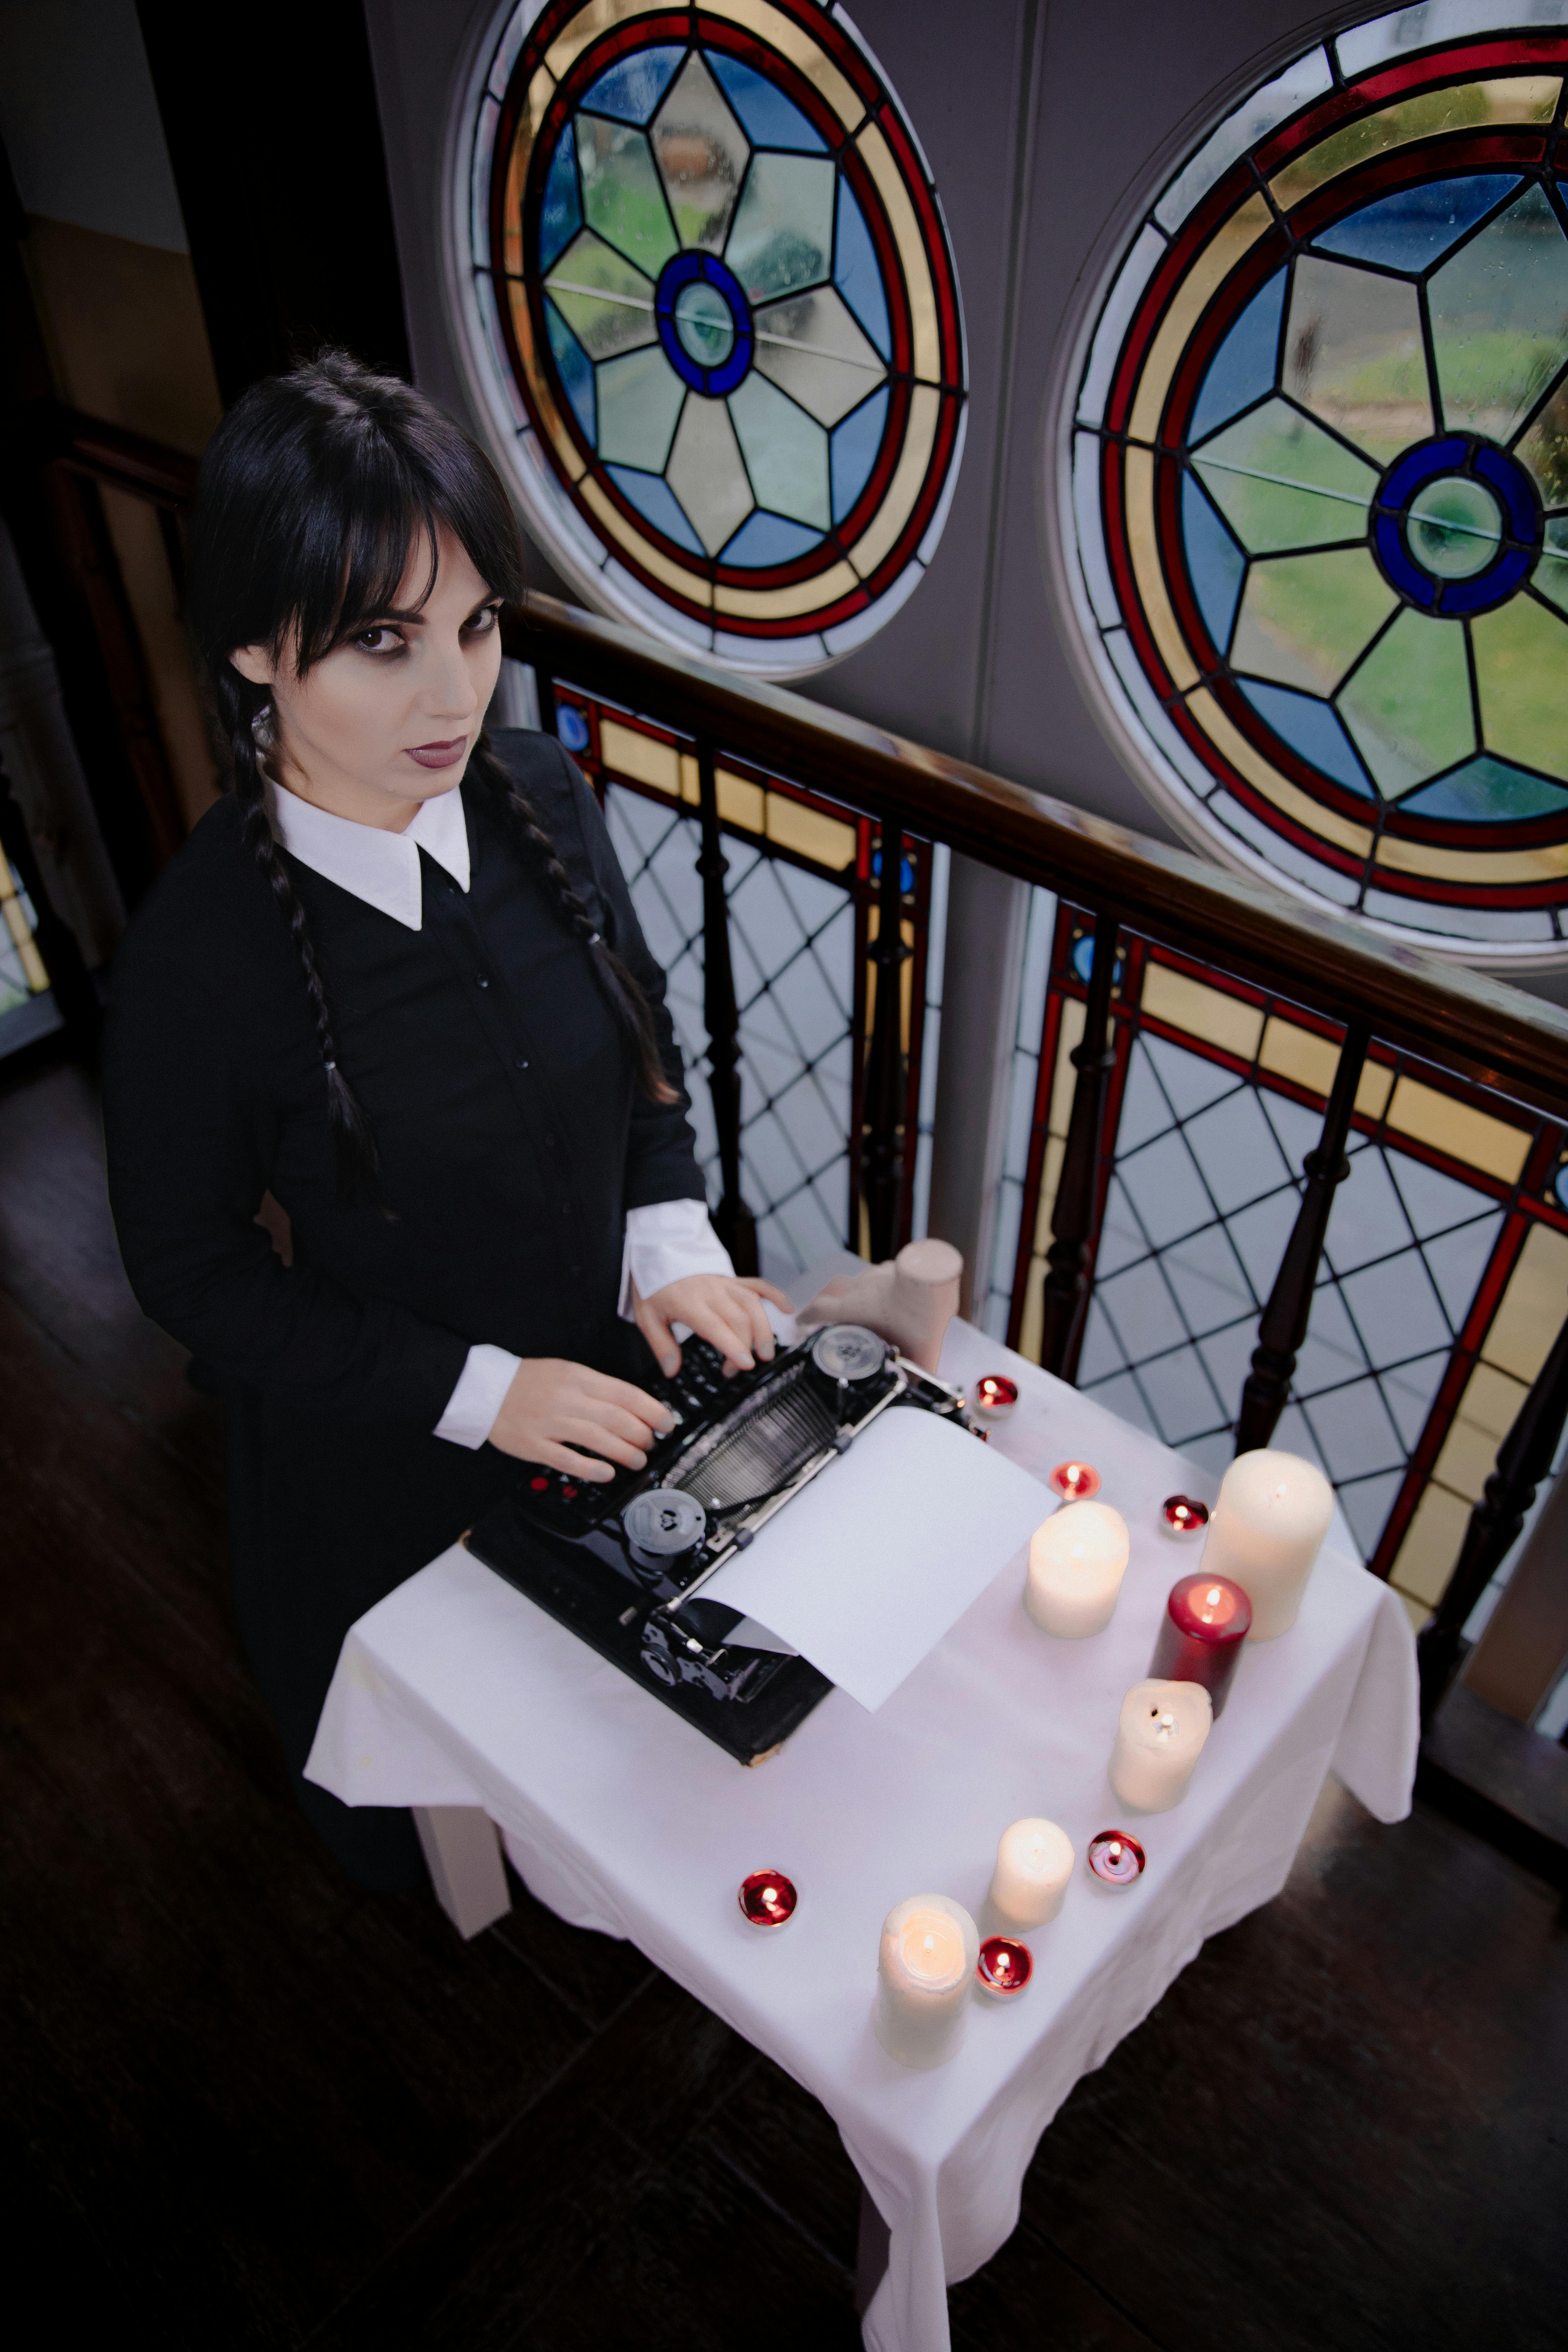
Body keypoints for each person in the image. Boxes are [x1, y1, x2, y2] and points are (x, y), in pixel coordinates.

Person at [103, 352, 788, 1887]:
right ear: (255, 648)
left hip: (615, 1393)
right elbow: (191, 1273)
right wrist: (482, 1393)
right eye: (383, 640)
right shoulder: (199, 965)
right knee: (471, 1814)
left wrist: (670, 1243)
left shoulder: (542, 794)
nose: (455, 693)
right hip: (392, 1445)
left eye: (476, 626)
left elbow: (641, 1051)